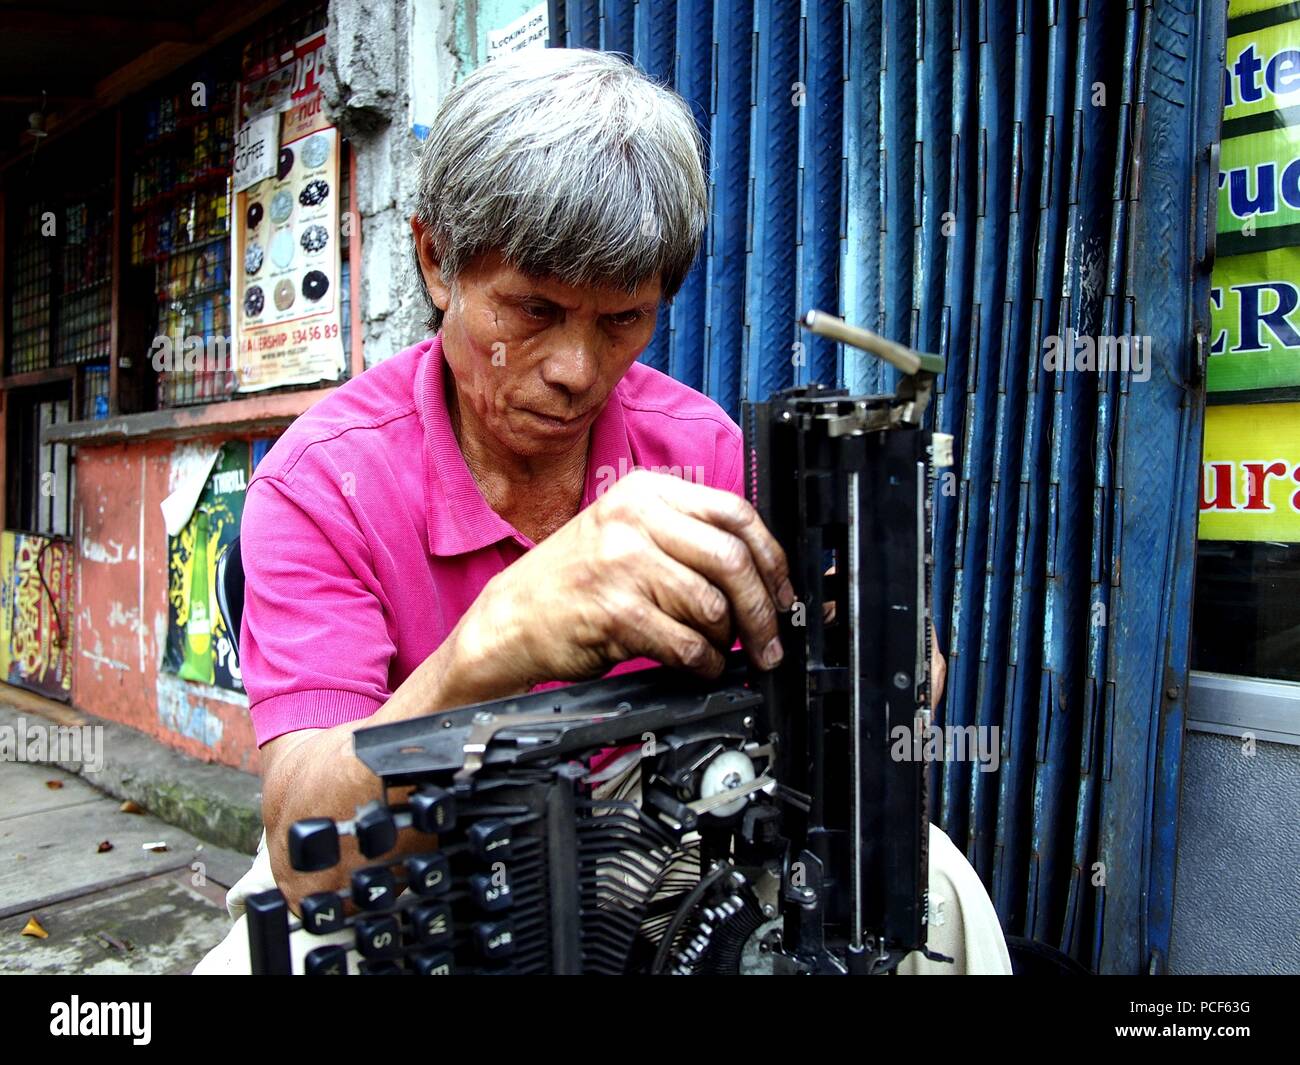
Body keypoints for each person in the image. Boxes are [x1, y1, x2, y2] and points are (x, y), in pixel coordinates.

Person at [194, 47, 1010, 975]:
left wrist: (878, 656)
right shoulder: (321, 482)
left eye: (622, 320)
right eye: (532, 311)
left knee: (937, 894)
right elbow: (310, 843)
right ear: (435, 261)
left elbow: (874, 699)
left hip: (653, 832)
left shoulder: (701, 451)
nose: (578, 371)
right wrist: (488, 648)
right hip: (422, 853)